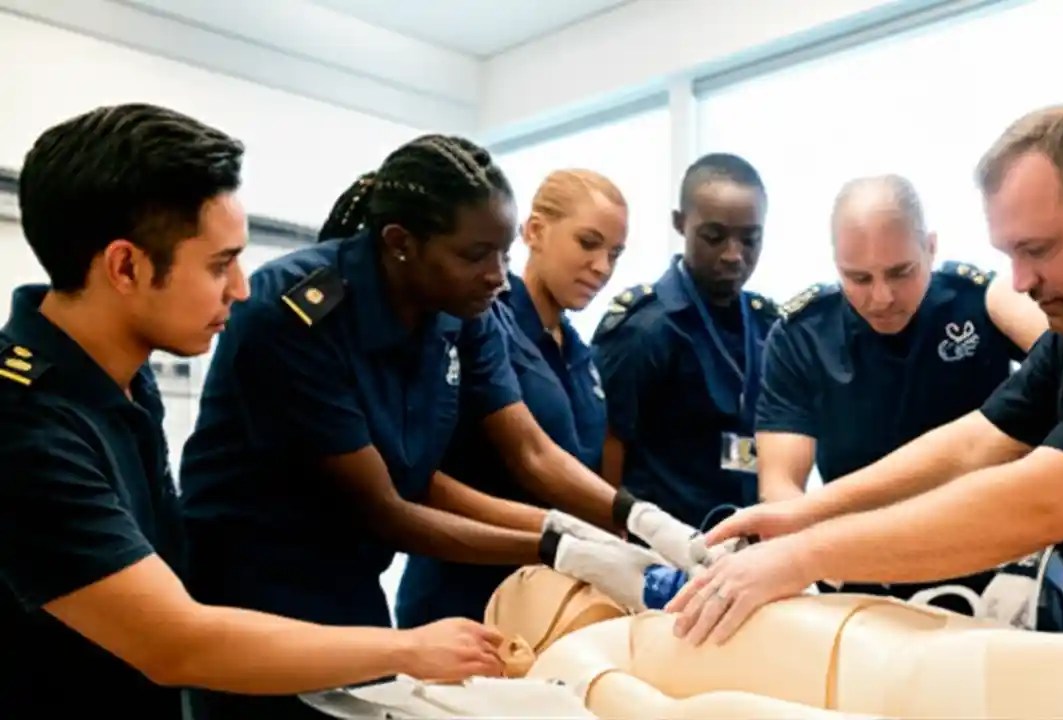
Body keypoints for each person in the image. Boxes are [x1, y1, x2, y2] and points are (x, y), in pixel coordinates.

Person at [665, 104, 1063, 651]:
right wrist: (804, 514)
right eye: (1009, 253)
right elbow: (979, 439)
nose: (1019, 281)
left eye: (1037, 250)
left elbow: (1039, 499)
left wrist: (804, 554)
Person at [0, 104, 507, 719]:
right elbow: (174, 641)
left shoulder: (121, 381)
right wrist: (410, 648)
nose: (240, 288)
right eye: (219, 264)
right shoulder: (25, 423)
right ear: (125, 266)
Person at [178, 136, 626, 717]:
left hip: (353, 578)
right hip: (252, 590)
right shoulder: (295, 313)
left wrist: (633, 519)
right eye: (475, 255)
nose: (496, 277)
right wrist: (560, 549)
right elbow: (386, 508)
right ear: (401, 244)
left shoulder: (464, 308)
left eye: (502, 256)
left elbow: (529, 451)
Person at [755, 174, 1047, 608]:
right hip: (861, 566)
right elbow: (779, 485)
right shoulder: (802, 334)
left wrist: (1029, 556)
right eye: (858, 278)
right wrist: (809, 558)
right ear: (835, 264)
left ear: (930, 248)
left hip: (985, 556)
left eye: (900, 272)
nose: (882, 297)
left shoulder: (980, 300)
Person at [395, 168, 629, 627]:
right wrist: (561, 534)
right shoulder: (480, 324)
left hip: (555, 597)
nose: (602, 266)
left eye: (615, 254)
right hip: (462, 592)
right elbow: (425, 476)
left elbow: (587, 468)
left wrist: (629, 531)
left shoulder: (580, 352)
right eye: (588, 242)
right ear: (535, 231)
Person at [592, 153, 779, 530]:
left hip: (747, 544)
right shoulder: (644, 328)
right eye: (714, 237)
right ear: (681, 224)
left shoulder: (768, 325)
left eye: (750, 239)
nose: (733, 255)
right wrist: (611, 537)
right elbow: (608, 443)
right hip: (662, 552)